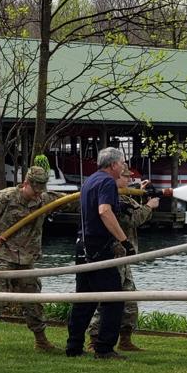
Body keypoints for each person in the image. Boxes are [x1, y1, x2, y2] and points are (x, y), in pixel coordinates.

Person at [0, 165, 71, 352]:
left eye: (41, 190)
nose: (37, 195)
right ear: (25, 183)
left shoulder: (44, 199)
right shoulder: (5, 198)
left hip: (26, 259)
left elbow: (70, 201)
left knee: (33, 301)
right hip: (1, 256)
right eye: (35, 190)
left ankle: (41, 341)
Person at [65, 147, 133, 360]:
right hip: (98, 248)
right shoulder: (107, 182)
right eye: (122, 163)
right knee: (114, 298)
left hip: (82, 245)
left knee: (85, 299)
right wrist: (125, 241)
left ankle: (74, 346)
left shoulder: (90, 180)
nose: (123, 167)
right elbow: (104, 211)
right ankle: (104, 348)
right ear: (113, 164)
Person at [88, 164, 159, 352]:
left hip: (124, 258)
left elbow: (132, 206)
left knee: (129, 300)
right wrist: (150, 207)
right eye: (126, 177)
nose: (129, 180)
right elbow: (131, 218)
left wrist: (144, 192)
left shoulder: (123, 196)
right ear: (116, 178)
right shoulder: (114, 199)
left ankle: (125, 339)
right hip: (115, 255)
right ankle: (95, 339)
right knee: (109, 300)